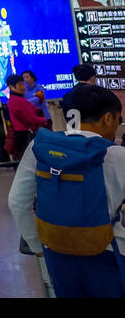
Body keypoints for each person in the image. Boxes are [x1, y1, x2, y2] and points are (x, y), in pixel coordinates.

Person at [8, 86, 125, 297]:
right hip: (107, 252)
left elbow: (16, 201)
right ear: (108, 118)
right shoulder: (116, 155)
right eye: (118, 119)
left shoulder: (40, 147)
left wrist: (36, 244)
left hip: (56, 250)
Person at [6, 74, 50, 160]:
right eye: (20, 85)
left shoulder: (16, 99)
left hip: (21, 135)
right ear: (11, 87)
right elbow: (31, 119)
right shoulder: (18, 100)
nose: (23, 87)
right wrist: (44, 120)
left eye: (23, 84)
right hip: (24, 136)